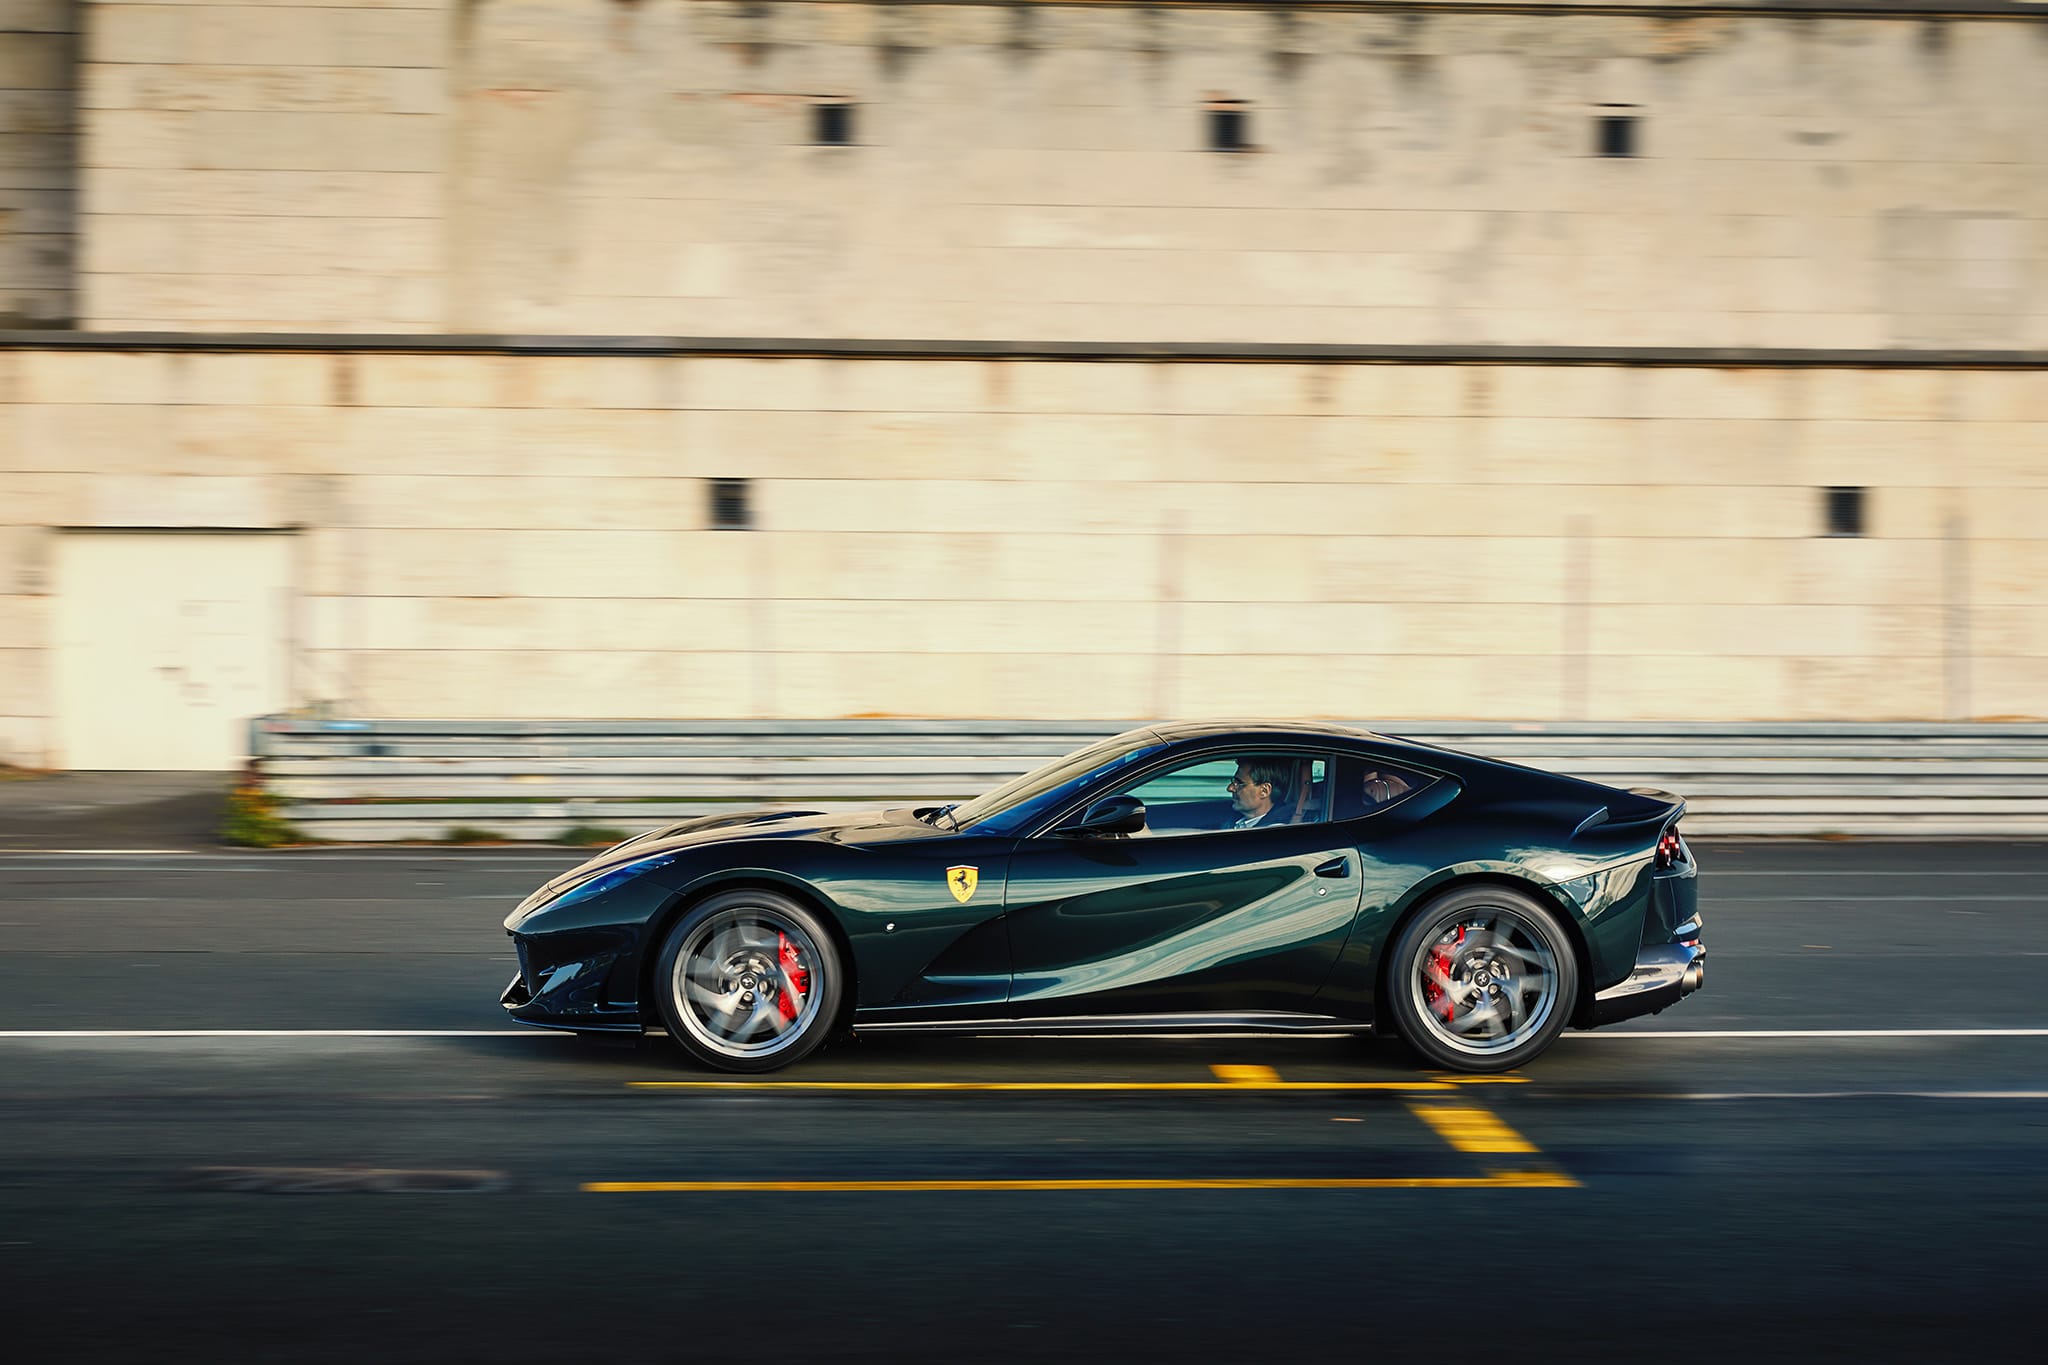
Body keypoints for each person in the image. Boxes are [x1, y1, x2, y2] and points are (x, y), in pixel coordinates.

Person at [1225, 758, 1294, 829]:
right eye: (1234, 782)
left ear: (1264, 791)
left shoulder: (1275, 831)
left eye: (1239, 783)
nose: (1230, 788)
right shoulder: (1233, 818)